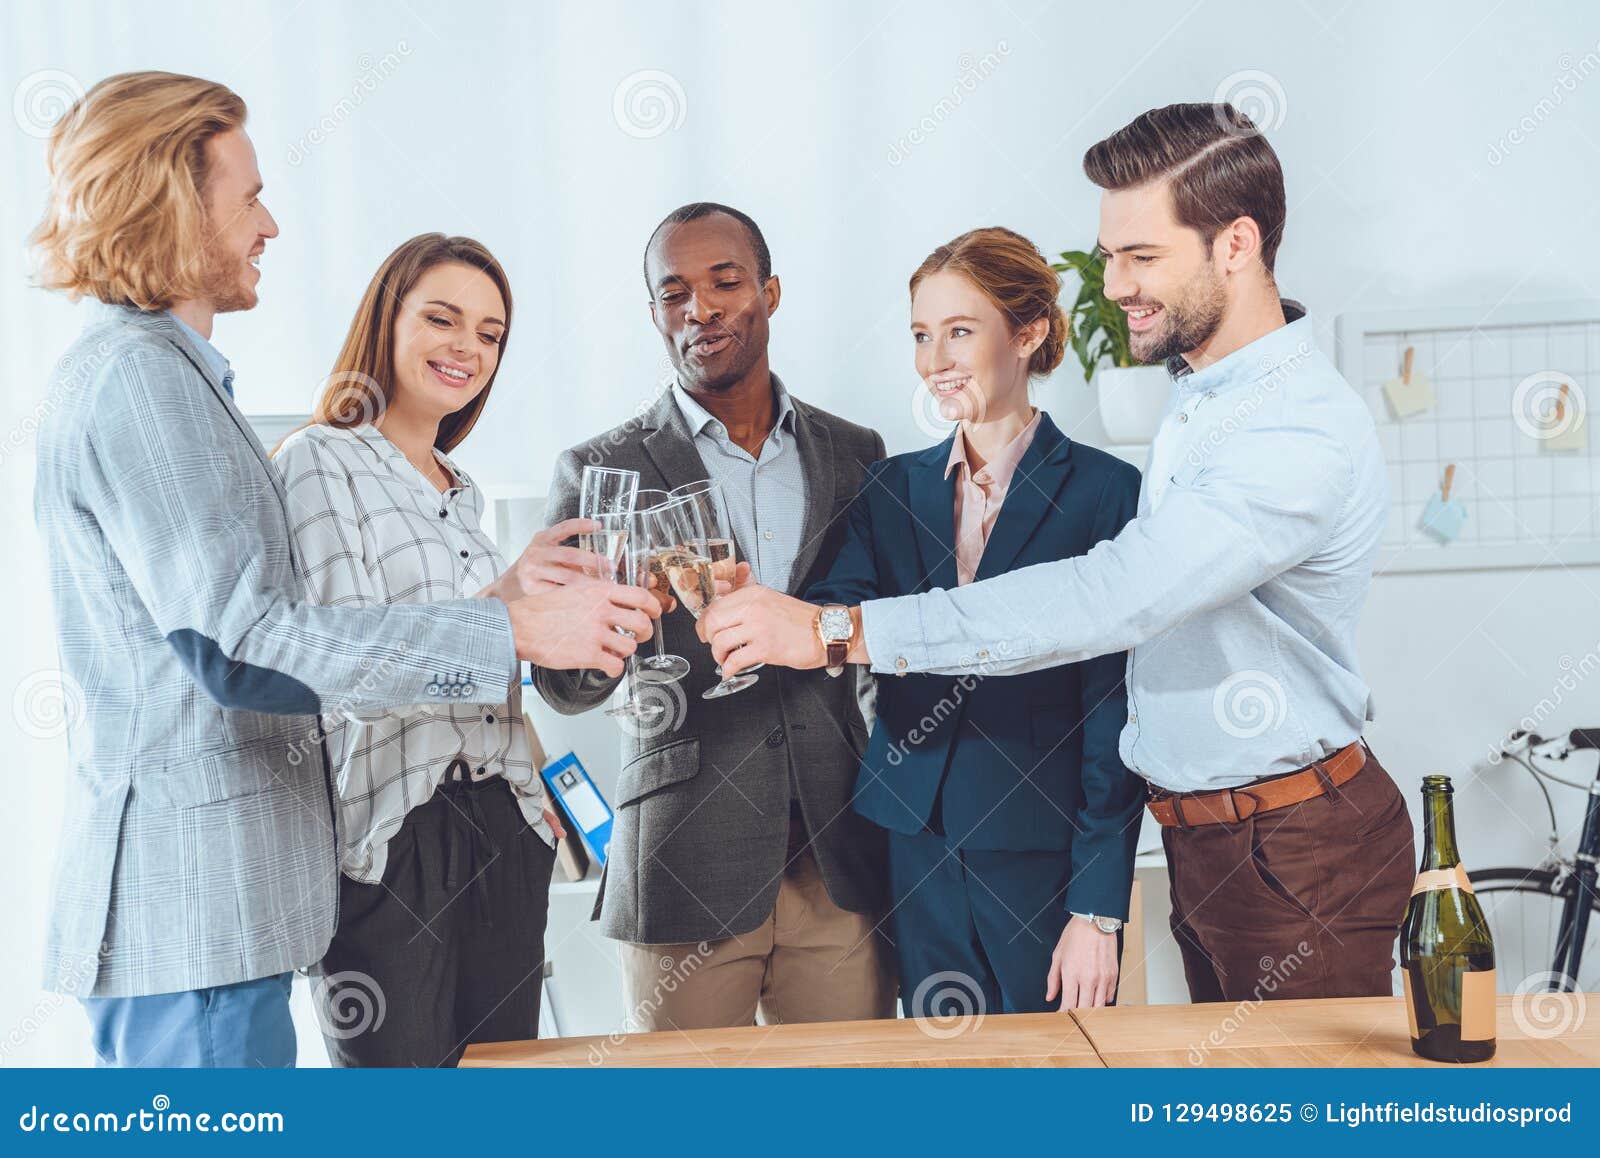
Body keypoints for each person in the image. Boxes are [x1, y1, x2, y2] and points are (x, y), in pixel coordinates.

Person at [700, 103, 1416, 1004]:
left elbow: (1108, 602)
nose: (1113, 285)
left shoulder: (1294, 428)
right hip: (1214, 839)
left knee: (1303, 1115)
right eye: (1110, 254)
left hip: (1293, 843)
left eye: (1141, 256)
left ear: (1235, 243)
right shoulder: (1204, 392)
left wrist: (836, 631)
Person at [29, 72, 655, 1068]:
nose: (269, 222)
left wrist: (512, 608)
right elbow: (243, 645)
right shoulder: (143, 382)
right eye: (249, 197)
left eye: (489, 332)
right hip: (200, 914)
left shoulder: (176, 379)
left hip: (239, 919)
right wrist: (508, 628)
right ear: (171, 202)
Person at [535, 202, 895, 1029]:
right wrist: (616, 623)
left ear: (768, 291)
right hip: (682, 861)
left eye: (724, 282)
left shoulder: (855, 453)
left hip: (837, 857)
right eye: (674, 293)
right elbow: (563, 684)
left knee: (848, 1115)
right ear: (655, 314)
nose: (699, 309)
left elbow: (880, 635)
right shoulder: (600, 466)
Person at [275, 234, 633, 1065]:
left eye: (490, 334)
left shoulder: (456, 488)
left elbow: (477, 651)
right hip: (397, 835)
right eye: (442, 318)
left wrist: (539, 611)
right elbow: (345, 666)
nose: (467, 348)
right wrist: (503, 614)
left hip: (504, 825)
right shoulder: (321, 461)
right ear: (384, 321)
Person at [804, 227, 1144, 1014]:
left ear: (1027, 334)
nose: (934, 361)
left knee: (1052, 1086)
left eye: (960, 331)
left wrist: (1097, 906)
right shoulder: (889, 488)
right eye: (922, 336)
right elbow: (834, 614)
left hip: (1041, 850)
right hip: (913, 842)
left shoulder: (1106, 493)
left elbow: (1114, 708)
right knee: (940, 1090)